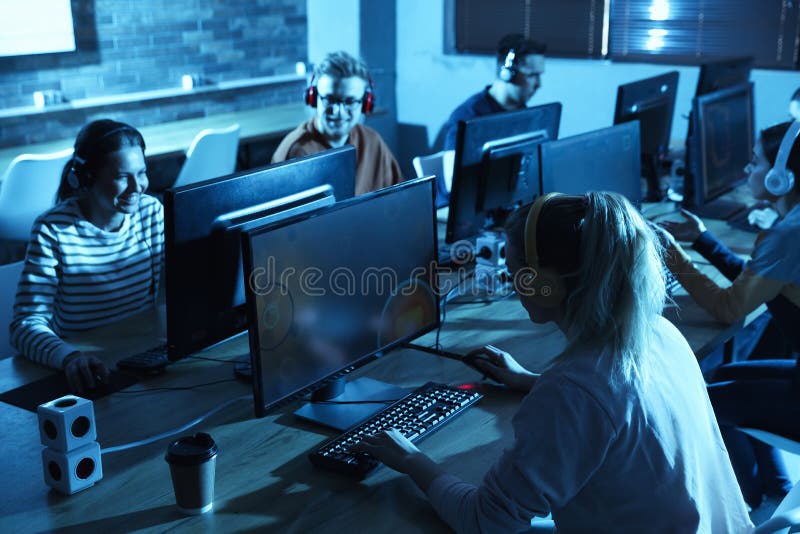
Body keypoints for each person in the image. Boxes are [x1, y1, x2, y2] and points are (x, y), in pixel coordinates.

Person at [356, 192, 752, 532]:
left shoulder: (574, 392)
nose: (514, 287)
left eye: (518, 275)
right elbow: (616, 411)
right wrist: (533, 380)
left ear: (548, 284)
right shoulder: (658, 330)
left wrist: (412, 461)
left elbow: (484, 521)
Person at [657, 120, 800, 509]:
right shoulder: (792, 227)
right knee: (720, 377)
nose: (746, 170)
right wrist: (702, 239)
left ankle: (747, 504)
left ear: (780, 177)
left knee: (704, 403)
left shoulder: (788, 235)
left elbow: (728, 308)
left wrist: (672, 253)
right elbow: (765, 286)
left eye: (755, 162)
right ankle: (775, 490)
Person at [10, 119, 164, 394]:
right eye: (121, 177)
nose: (137, 187)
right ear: (86, 178)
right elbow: (24, 327)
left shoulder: (152, 213)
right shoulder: (53, 229)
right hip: (88, 368)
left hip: (141, 357)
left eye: (142, 173)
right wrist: (69, 356)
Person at [272, 51, 402, 195]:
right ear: (314, 98)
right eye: (329, 99)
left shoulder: (372, 141)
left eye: (350, 101)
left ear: (365, 103)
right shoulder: (296, 152)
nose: (338, 111)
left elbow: (399, 199)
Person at [436, 34, 546, 204]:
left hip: (502, 203)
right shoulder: (468, 116)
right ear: (507, 73)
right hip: (458, 210)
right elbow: (454, 183)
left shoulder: (523, 113)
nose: (539, 84)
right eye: (532, 75)